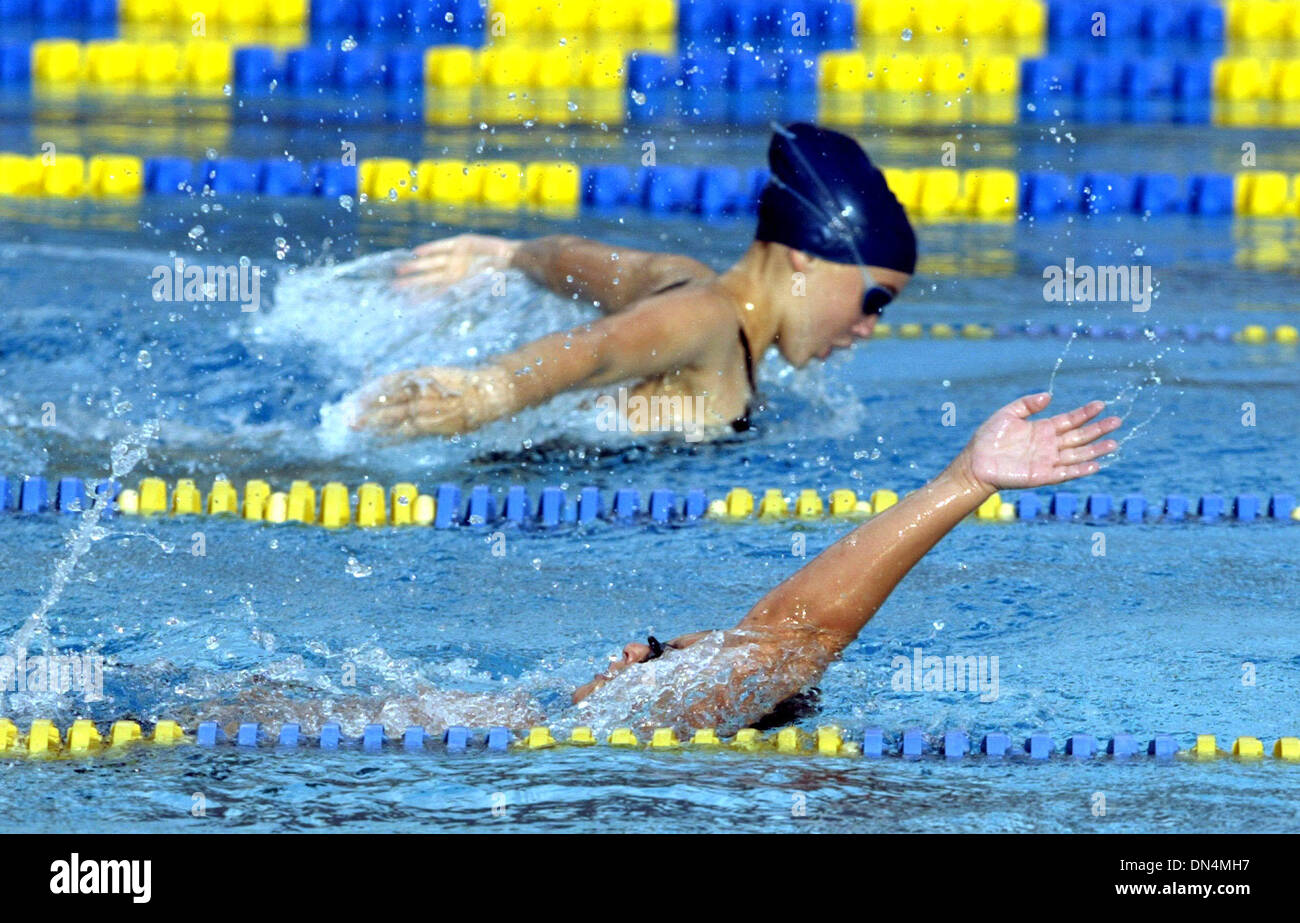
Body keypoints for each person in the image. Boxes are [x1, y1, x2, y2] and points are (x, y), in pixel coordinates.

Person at [207, 392, 1120, 737]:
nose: (630, 654)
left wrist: (963, 480)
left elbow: (796, 631)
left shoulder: (648, 720)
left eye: (655, 648)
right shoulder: (557, 720)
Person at [352, 123, 918, 439]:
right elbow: (595, 351)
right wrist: (485, 392)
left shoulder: (688, 282)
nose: (868, 327)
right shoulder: (710, 321)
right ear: (806, 257)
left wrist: (506, 254)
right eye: (875, 300)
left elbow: (575, 259)